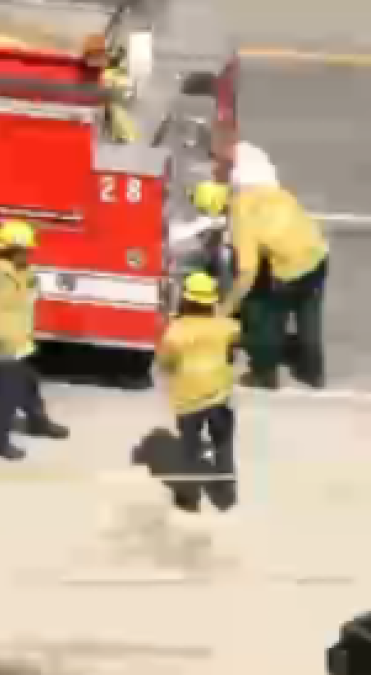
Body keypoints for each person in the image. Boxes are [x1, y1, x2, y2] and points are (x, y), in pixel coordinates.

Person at [203, 142, 330, 390]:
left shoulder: (240, 215)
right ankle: (313, 372)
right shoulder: (265, 189)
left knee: (266, 317)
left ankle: (264, 374)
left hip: (289, 270)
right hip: (317, 255)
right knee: (309, 318)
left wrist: (226, 308)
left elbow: (247, 272)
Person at [0, 220, 69, 461]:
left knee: (29, 384)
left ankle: (38, 422)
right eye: (26, 250)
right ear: (12, 251)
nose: (29, 254)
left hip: (19, 341)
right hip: (4, 344)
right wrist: (4, 347)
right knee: (6, 395)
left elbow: (25, 296)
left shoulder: (20, 269)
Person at [155, 272, 242, 513]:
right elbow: (236, 340)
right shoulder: (225, 327)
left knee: (189, 448)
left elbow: (165, 363)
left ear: (185, 299)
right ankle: (226, 495)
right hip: (219, 396)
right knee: (223, 445)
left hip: (188, 400)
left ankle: (187, 498)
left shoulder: (175, 332)